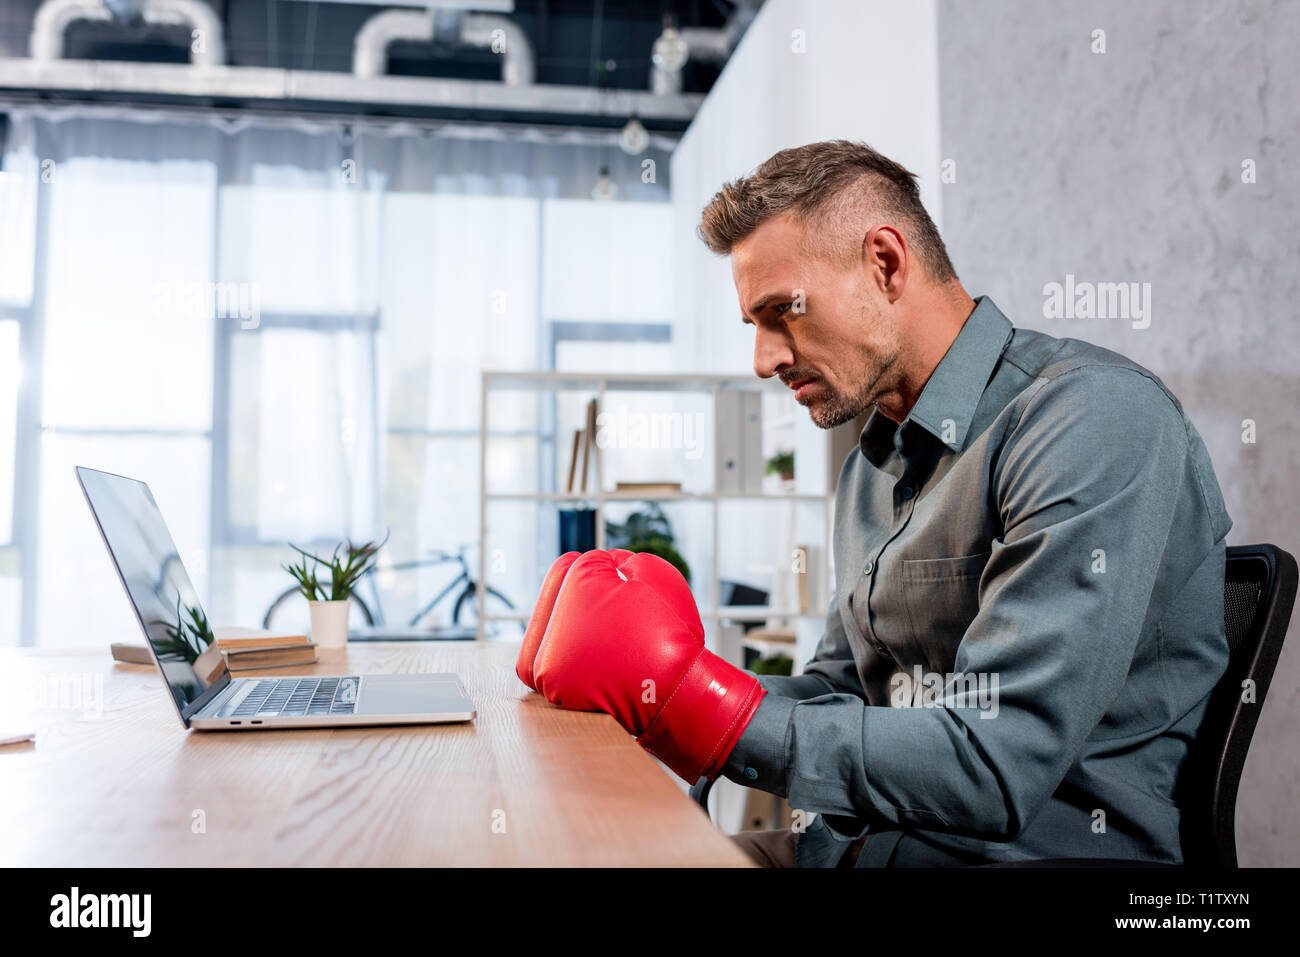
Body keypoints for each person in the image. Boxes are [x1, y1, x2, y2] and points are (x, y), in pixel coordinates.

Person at [517, 139, 1232, 868]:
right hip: (850, 850)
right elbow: (841, 689)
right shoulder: (870, 465)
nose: (763, 359)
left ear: (885, 264)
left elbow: (996, 762)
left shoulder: (1090, 419)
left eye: (781, 313)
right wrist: (657, 689)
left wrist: (705, 705)